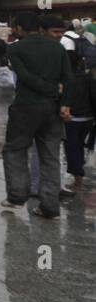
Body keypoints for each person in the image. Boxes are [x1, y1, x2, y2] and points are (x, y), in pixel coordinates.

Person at [1, 11, 73, 219]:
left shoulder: (15, 49)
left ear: (21, 29)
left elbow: (24, 76)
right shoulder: (57, 48)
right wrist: (65, 102)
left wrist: (50, 90)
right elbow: (68, 77)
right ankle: (50, 205)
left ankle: (16, 196)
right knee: (50, 157)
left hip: (25, 107)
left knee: (15, 150)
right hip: (53, 109)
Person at [59, 21, 96, 197]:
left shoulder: (65, 80)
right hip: (88, 119)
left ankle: (78, 179)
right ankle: (79, 173)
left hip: (71, 119)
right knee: (80, 146)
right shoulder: (88, 78)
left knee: (72, 148)